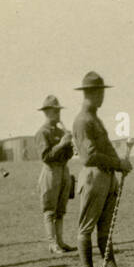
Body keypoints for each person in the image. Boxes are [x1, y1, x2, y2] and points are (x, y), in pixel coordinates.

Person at [71, 71, 133, 267]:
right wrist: (117, 164)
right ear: (92, 93)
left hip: (107, 178)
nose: (103, 97)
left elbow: (105, 148)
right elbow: (89, 156)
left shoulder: (95, 119)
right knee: (86, 227)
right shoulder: (83, 120)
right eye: (100, 92)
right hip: (93, 178)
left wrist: (121, 164)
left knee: (106, 228)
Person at [35, 94, 75, 253]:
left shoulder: (60, 131)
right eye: (55, 111)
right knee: (50, 210)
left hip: (63, 170)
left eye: (59, 110)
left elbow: (69, 155)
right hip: (51, 172)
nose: (58, 114)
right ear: (47, 112)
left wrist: (69, 145)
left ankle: (60, 241)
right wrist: (61, 144)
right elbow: (45, 156)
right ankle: (52, 243)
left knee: (61, 209)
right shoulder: (42, 132)